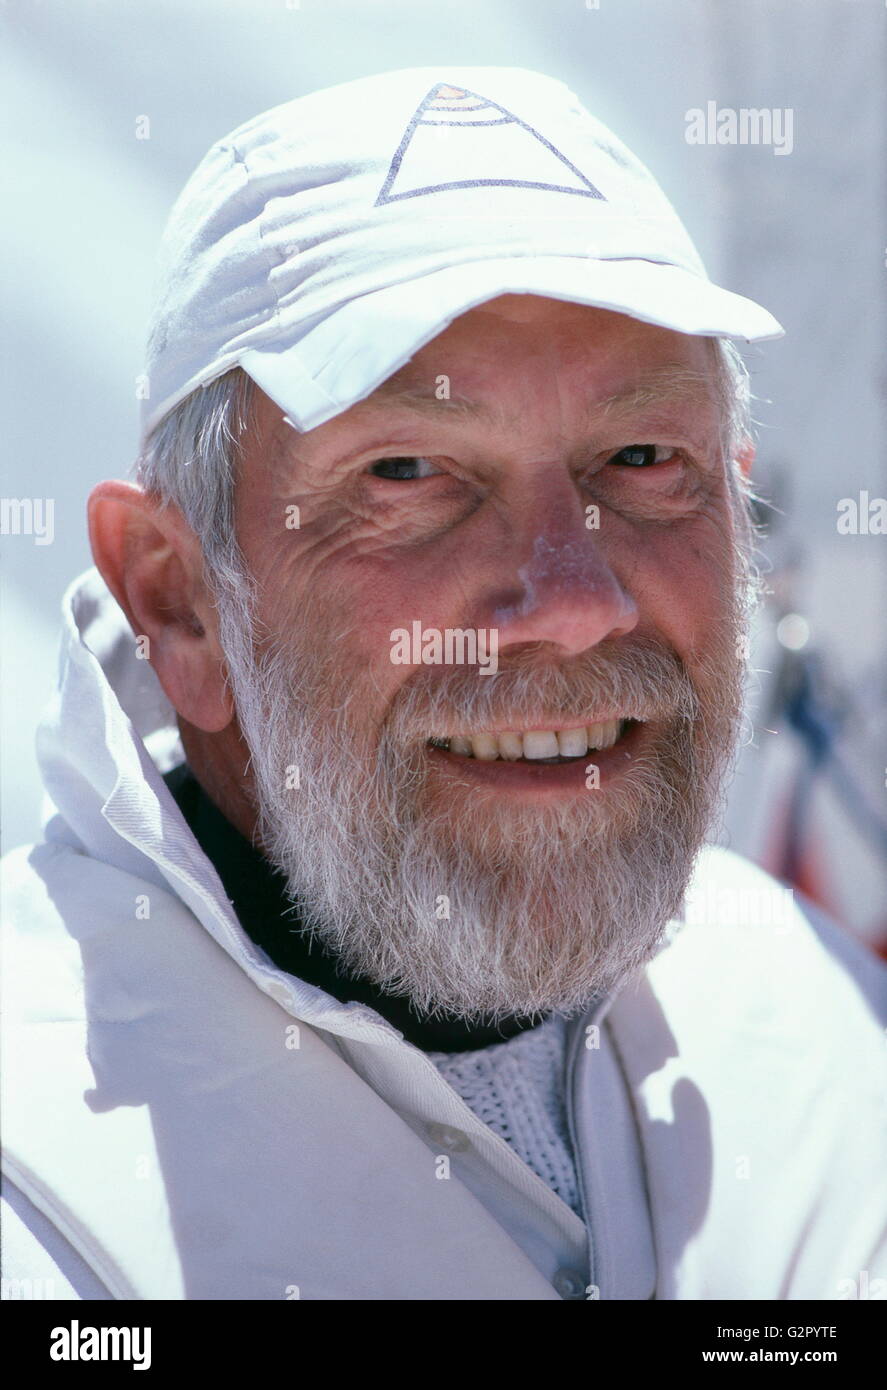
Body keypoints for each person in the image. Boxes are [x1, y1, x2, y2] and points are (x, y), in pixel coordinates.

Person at [2, 65, 884, 1302]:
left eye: (641, 459)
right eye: (409, 474)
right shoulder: (35, 1181)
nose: (574, 602)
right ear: (176, 602)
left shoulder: (811, 1027)